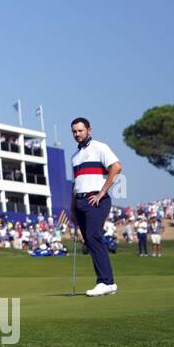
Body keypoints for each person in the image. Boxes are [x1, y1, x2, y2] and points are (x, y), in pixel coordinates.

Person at [70, 117, 123, 296]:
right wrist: (72, 206)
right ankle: (109, 283)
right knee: (91, 242)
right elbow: (76, 182)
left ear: (89, 130)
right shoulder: (75, 156)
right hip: (80, 202)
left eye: (80, 130)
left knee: (94, 237)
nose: (77, 134)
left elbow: (116, 167)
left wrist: (102, 192)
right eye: (74, 131)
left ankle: (105, 282)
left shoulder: (100, 147)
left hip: (96, 200)